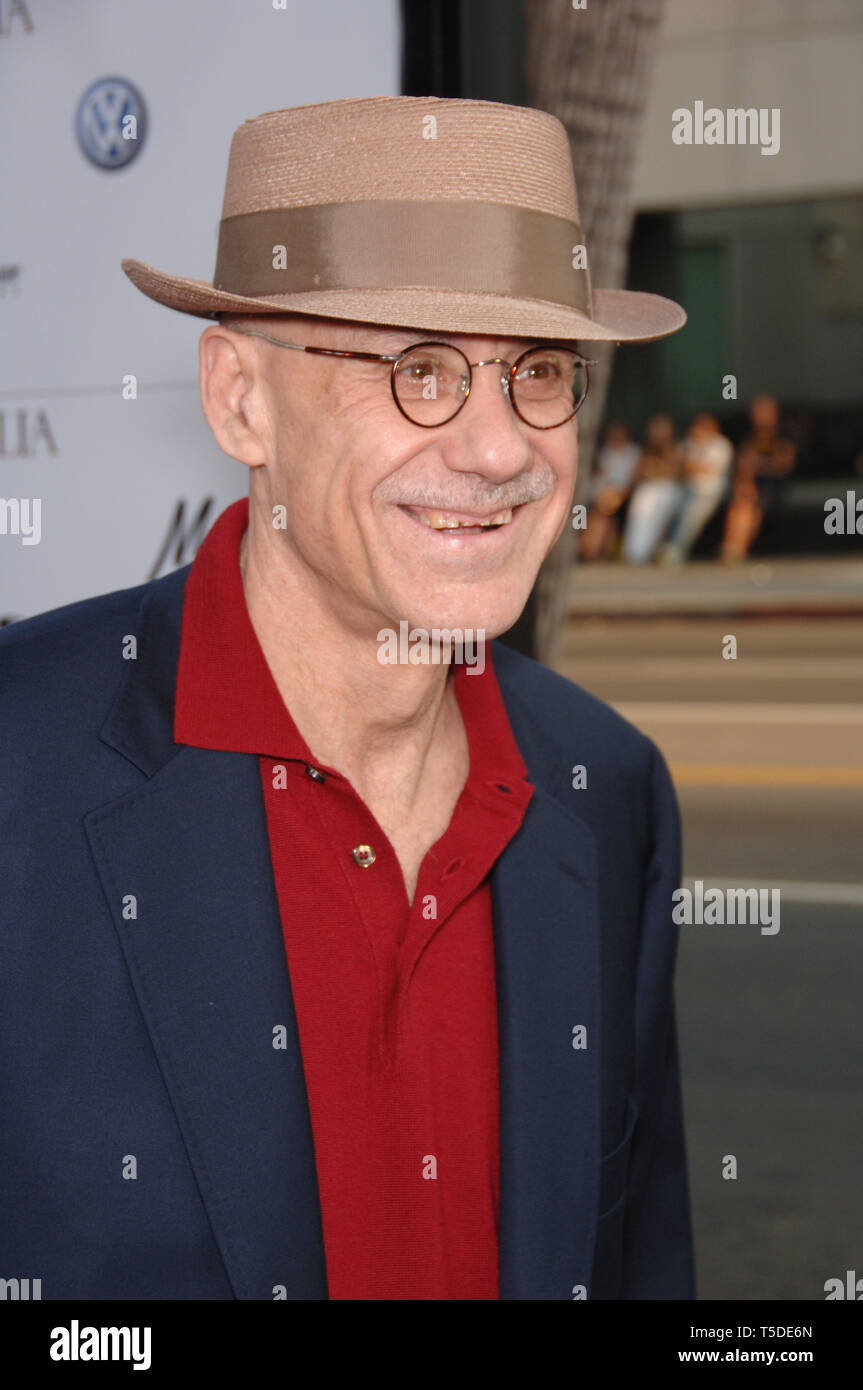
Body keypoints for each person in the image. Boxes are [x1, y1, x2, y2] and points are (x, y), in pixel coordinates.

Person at [0, 96, 695, 1301]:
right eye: (418, 368)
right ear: (240, 401)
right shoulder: (22, 766)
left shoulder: (606, 784)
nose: (497, 449)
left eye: (539, 372)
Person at [721, 394, 796, 562]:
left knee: (751, 505)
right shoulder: (747, 435)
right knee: (742, 503)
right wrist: (747, 479)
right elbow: (742, 464)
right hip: (750, 484)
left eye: (765, 411)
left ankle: (737, 547)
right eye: (757, 411)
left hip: (774, 485)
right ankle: (732, 547)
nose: (761, 416)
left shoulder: (784, 434)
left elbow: (782, 466)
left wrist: (758, 464)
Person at [659, 412, 734, 564]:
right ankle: (659, 547)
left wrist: (690, 466)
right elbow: (677, 467)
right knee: (664, 505)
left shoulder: (721, 445)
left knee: (691, 513)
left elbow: (706, 470)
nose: (699, 430)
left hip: (710, 492)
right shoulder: (688, 444)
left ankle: (675, 550)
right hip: (686, 489)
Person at [622, 414, 682, 564]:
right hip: (646, 491)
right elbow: (636, 475)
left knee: (656, 509)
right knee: (641, 511)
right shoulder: (645, 450)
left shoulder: (675, 449)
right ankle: (636, 553)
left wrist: (654, 471)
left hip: (667, 491)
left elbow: (674, 474)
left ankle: (648, 552)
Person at [580, 422, 641, 561]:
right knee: (582, 510)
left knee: (602, 514)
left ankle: (592, 548)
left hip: (620, 493)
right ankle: (587, 545)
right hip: (601, 493)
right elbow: (600, 475)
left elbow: (633, 478)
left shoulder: (633, 453)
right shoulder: (605, 452)